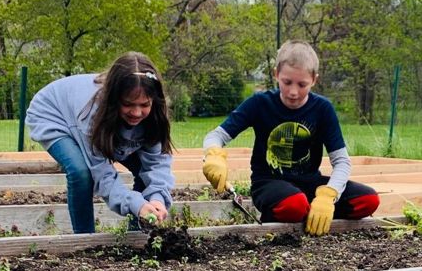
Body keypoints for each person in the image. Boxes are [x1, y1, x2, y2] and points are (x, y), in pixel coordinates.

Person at [201, 40, 380, 234]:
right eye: (287, 82)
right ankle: (293, 214)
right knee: (294, 204)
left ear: (314, 80)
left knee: (368, 200)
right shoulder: (260, 104)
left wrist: (329, 195)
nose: (293, 92)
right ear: (276, 74)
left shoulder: (322, 109)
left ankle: (314, 215)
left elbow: (342, 161)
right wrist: (214, 155)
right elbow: (217, 135)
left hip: (309, 183)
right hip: (268, 183)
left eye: (302, 84)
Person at [25, 51, 175, 234]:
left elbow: (156, 164)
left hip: (101, 123)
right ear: (114, 99)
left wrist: (157, 198)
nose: (137, 112)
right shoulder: (92, 114)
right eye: (128, 104)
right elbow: (102, 174)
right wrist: (135, 204)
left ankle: (137, 236)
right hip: (54, 115)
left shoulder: (155, 116)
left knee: (144, 171)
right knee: (81, 172)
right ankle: (85, 238)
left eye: (144, 105)